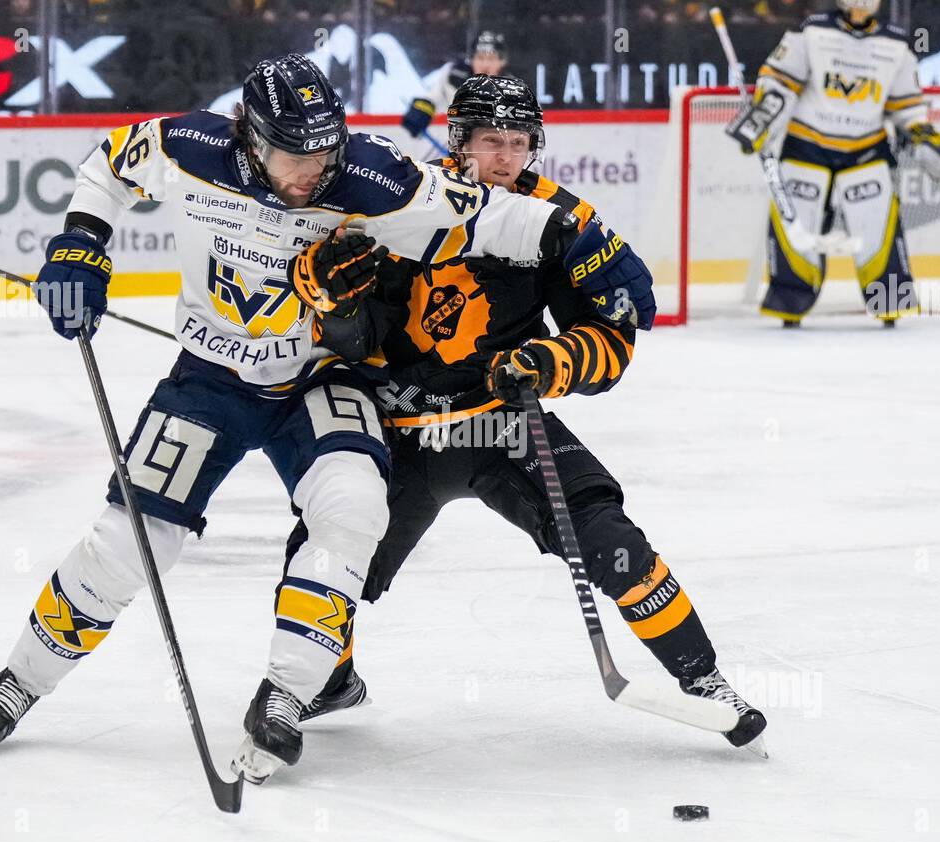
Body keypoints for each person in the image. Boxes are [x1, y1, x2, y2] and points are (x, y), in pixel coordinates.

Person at [0, 54, 642, 786]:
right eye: (293, 153)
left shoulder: (373, 176)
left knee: (351, 511)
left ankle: (289, 693)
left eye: (323, 151)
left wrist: (586, 243)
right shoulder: (192, 147)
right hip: (207, 383)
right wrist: (80, 244)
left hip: (319, 379)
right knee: (130, 541)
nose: (311, 171)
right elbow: (110, 163)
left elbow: (484, 215)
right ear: (249, 136)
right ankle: (22, 680)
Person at [290, 74, 768, 756]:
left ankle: (703, 678)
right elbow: (355, 332)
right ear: (458, 143)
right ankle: (326, 678)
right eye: (491, 142)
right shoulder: (399, 205)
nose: (506, 158)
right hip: (401, 429)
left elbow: (616, 328)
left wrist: (552, 361)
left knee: (612, 539)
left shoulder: (556, 219)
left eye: (519, 143)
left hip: (500, 424)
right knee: (326, 546)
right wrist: (333, 310)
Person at [725, 0, 940, 326]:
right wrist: (760, 122)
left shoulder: (897, 45)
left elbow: (907, 105)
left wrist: (921, 134)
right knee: (797, 231)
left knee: (877, 228)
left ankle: (889, 301)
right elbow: (779, 84)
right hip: (807, 146)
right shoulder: (811, 31)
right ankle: (790, 302)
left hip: (865, 150)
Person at [400, 30, 507, 159]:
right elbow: (432, 97)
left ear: (502, 62)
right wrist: (421, 109)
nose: (485, 64)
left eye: (491, 59)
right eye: (480, 58)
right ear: (471, 60)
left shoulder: (512, 89)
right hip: (452, 153)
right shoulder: (454, 76)